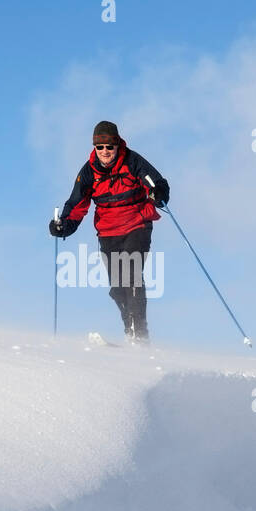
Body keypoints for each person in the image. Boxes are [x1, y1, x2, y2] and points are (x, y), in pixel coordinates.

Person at [49, 121, 170, 344]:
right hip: (108, 232)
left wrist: (157, 193)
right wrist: (63, 225)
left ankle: (139, 333)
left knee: (131, 275)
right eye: (100, 147)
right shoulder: (88, 172)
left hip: (137, 224)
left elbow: (158, 183)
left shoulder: (133, 161)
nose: (105, 152)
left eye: (109, 147)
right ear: (95, 148)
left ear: (117, 145)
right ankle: (129, 329)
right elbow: (77, 204)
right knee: (117, 286)